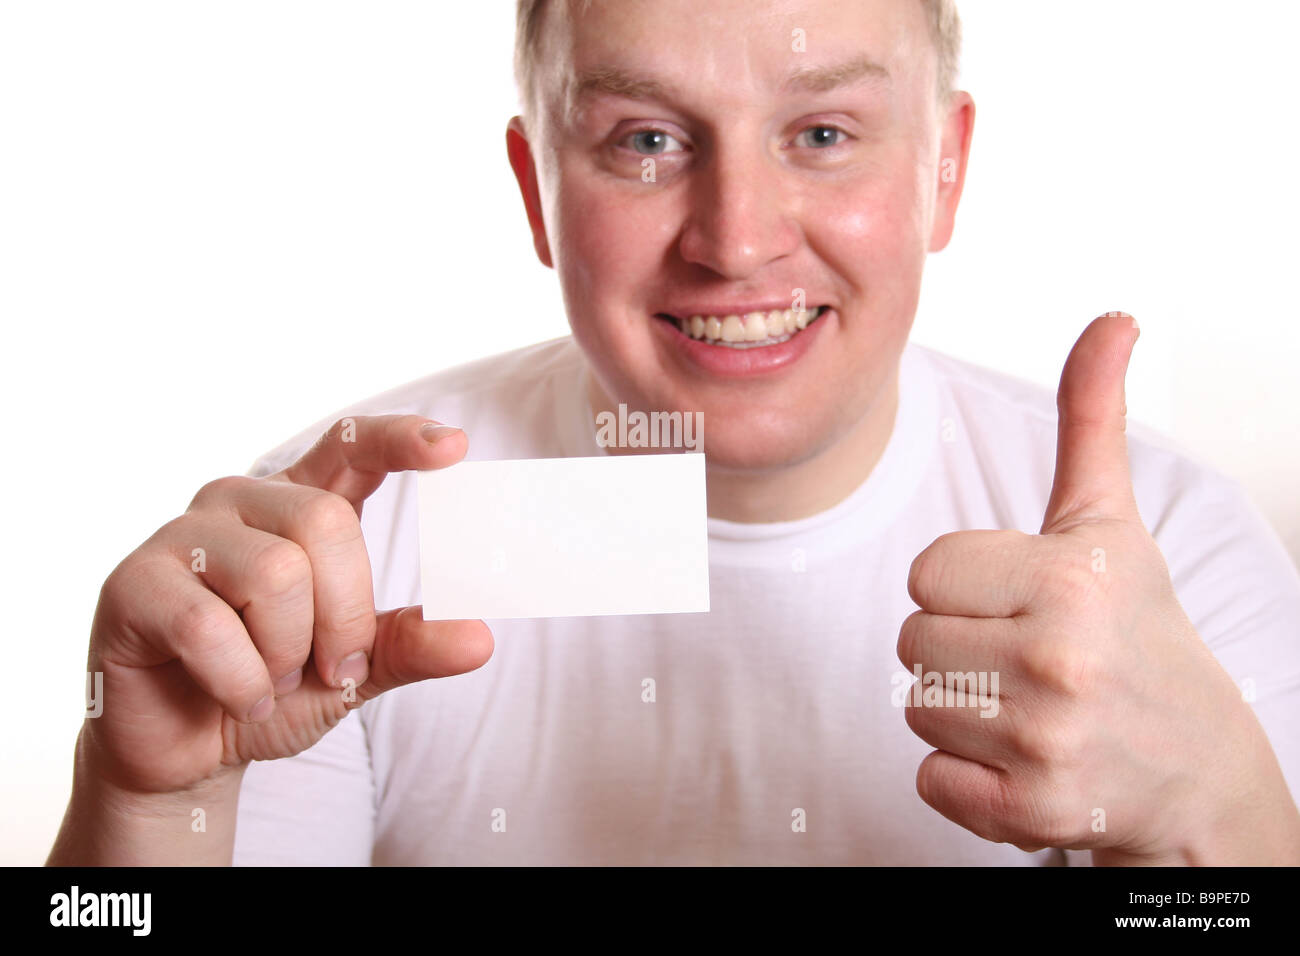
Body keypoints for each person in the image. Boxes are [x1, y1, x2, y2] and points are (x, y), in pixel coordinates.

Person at [48, 0, 1300, 866]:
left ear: (944, 173)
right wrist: (151, 806)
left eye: (820, 134)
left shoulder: (1168, 550)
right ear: (538, 190)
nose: (737, 235)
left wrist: (1219, 822)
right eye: (646, 141)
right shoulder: (334, 541)